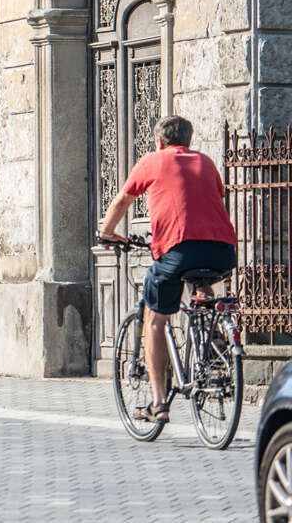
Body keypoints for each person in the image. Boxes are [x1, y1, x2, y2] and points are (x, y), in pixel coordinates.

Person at [96, 113, 240, 423]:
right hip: (223, 251)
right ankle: (213, 340)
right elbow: (212, 198)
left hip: (177, 249)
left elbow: (123, 200)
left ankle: (159, 403)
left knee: (155, 320)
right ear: (189, 141)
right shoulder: (206, 162)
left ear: (159, 141)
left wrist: (106, 233)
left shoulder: (153, 160)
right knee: (202, 281)